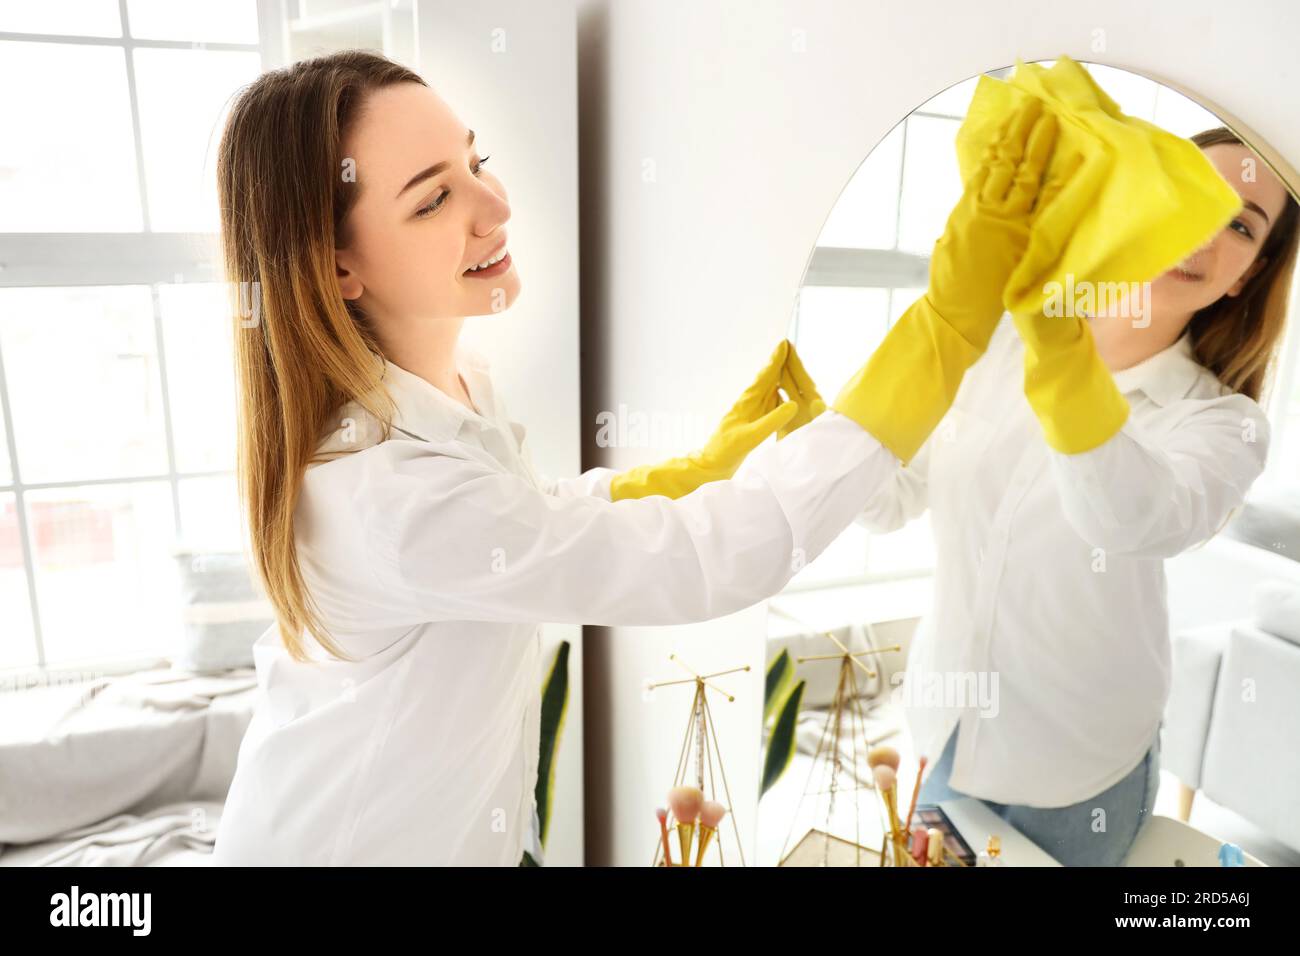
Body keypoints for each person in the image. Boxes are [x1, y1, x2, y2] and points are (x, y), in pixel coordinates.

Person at [207, 49, 1065, 865]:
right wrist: (944, 330)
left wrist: (695, 471)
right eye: (433, 201)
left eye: (477, 161)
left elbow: (533, 518)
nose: (495, 206)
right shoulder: (382, 495)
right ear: (338, 267)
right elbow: (696, 563)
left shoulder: (457, 387)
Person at [846, 126, 1297, 866]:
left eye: (1241, 225)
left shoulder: (1225, 424)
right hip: (943, 724)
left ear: (1247, 274)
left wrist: (1063, 374)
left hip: (1081, 767)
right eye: (1188, 193)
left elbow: (1131, 520)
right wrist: (839, 426)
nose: (1203, 232)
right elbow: (889, 501)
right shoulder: (993, 345)